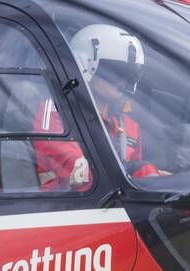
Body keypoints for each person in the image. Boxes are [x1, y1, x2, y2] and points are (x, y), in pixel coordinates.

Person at [34, 23, 164, 190]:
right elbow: (77, 173)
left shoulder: (131, 127)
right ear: (85, 66)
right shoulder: (56, 113)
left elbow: (134, 185)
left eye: (128, 74)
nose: (122, 81)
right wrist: (141, 172)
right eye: (115, 72)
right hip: (63, 208)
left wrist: (155, 177)